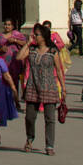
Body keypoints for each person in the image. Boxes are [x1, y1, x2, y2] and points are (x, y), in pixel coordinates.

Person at [18, 23, 67, 155]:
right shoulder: (32, 49)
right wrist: (28, 43)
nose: (34, 36)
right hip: (33, 86)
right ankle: (29, 138)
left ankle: (49, 145)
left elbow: (59, 70)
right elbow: (19, 57)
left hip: (49, 87)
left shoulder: (53, 52)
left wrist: (63, 88)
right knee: (29, 117)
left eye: (37, 34)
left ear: (44, 36)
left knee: (50, 118)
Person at [0, 19, 27, 98]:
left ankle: (15, 100)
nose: (7, 26)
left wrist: (15, 40)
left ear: (12, 26)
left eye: (9, 25)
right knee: (4, 80)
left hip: (14, 63)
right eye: (5, 24)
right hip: (3, 62)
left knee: (14, 81)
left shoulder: (17, 34)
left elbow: (25, 43)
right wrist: (0, 49)